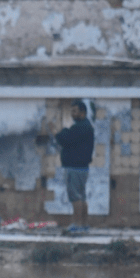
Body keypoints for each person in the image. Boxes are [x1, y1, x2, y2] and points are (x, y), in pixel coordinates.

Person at [54, 99, 95, 232]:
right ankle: (83, 224)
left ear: (82, 112)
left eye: (75, 111)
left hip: (75, 168)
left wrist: (56, 132)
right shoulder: (85, 126)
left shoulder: (80, 127)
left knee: (75, 197)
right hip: (82, 167)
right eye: (71, 111)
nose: (72, 114)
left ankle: (77, 224)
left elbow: (65, 139)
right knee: (81, 197)